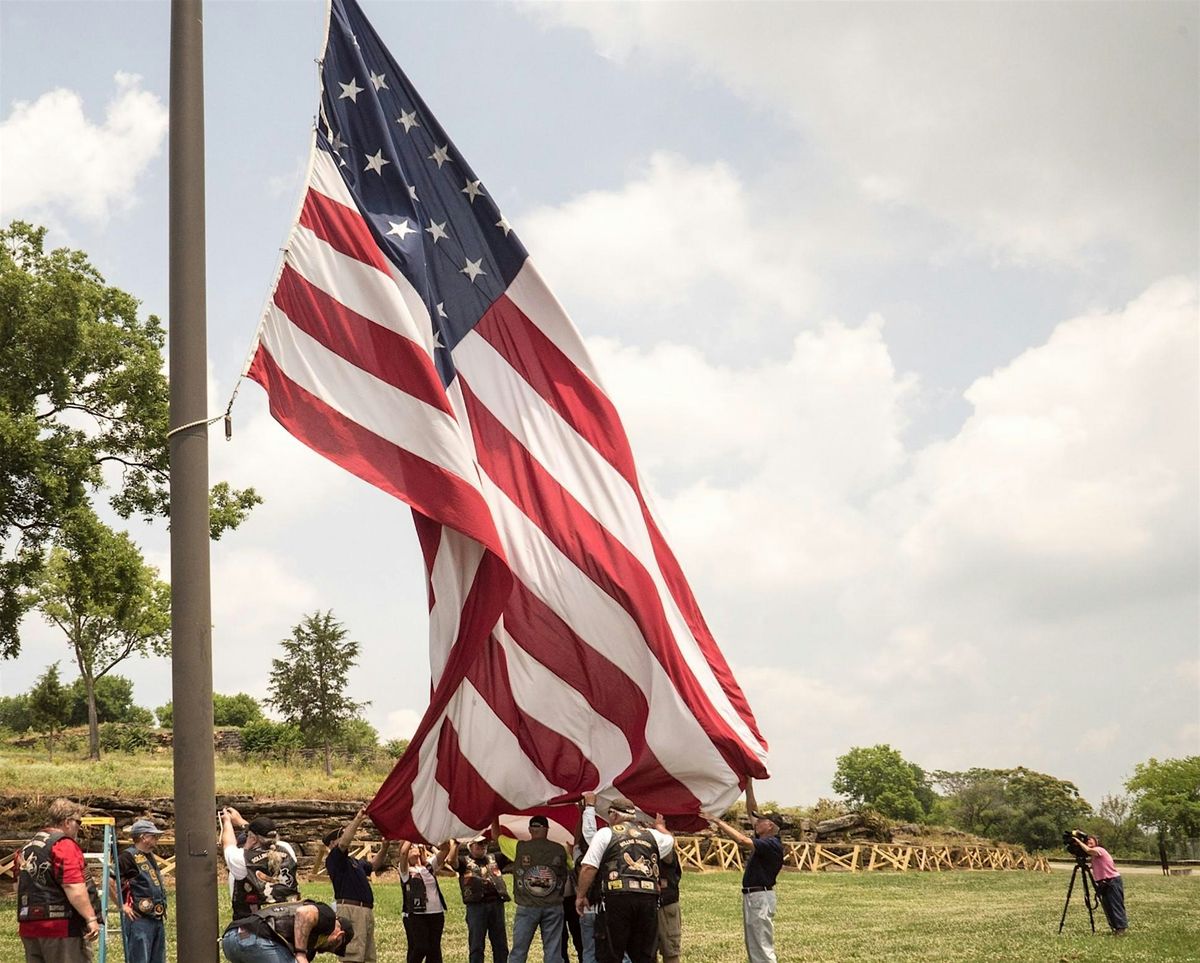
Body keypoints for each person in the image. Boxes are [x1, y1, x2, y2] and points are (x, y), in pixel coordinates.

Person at [576, 800, 674, 963]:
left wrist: (581, 895)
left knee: (611, 953)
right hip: (648, 898)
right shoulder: (652, 835)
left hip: (617, 897)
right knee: (644, 955)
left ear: (614, 814)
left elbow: (588, 868)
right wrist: (660, 826)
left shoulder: (606, 834)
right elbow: (670, 840)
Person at [704, 781, 789, 963]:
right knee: (755, 944)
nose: (756, 822)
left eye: (761, 821)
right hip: (755, 896)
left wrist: (717, 821)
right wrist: (749, 786)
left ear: (770, 826)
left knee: (761, 946)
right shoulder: (765, 838)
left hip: (760, 897)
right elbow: (752, 810)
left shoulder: (772, 844)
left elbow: (742, 840)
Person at [16, 797, 101, 963]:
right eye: (78, 822)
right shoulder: (63, 845)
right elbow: (73, 886)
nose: (79, 827)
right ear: (67, 822)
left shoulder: (26, 847)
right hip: (61, 930)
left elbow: (17, 885)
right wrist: (91, 918)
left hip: (29, 927)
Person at [323, 806, 389, 962]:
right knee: (352, 956)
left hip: (365, 910)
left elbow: (373, 865)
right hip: (351, 910)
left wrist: (385, 847)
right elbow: (344, 843)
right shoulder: (334, 859)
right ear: (333, 843)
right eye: (341, 836)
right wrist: (358, 819)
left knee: (368, 956)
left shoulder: (353, 862)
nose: (345, 837)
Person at [508, 814, 571, 963]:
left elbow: (496, 836)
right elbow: (572, 867)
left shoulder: (518, 847)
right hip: (553, 905)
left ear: (530, 829)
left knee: (519, 950)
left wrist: (494, 814)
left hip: (526, 906)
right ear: (547, 829)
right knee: (553, 951)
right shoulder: (560, 850)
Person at [221, 807, 301, 917]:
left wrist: (227, 822)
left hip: (254, 925)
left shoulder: (241, 859)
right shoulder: (287, 849)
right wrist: (241, 822)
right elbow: (264, 839)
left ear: (253, 839)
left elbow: (228, 843)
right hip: (289, 919)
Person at [221, 899, 353, 962]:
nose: (326, 950)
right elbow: (304, 913)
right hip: (258, 939)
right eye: (334, 947)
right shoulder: (328, 917)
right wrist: (300, 953)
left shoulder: (311, 948)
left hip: (230, 939)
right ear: (339, 936)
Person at [113, 818, 169, 963]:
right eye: (153, 836)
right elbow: (111, 882)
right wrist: (122, 905)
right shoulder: (127, 857)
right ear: (143, 837)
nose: (157, 839)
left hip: (156, 917)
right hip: (139, 919)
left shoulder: (149, 856)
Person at [453, 826, 511, 963]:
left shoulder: (494, 858)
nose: (482, 846)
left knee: (501, 944)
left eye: (485, 843)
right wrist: (454, 845)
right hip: (476, 907)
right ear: (470, 846)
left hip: (496, 905)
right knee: (477, 945)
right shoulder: (463, 861)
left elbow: (510, 853)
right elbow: (451, 862)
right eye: (479, 844)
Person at [398, 839, 452, 963]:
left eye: (415, 845)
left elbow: (445, 849)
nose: (413, 847)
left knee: (434, 951)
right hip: (417, 914)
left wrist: (432, 836)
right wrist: (410, 835)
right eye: (410, 847)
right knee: (421, 947)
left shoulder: (429, 866)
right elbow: (403, 854)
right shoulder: (405, 870)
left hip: (436, 913)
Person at [1079, 834, 1128, 935]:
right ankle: (1116, 927)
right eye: (1087, 841)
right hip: (1103, 883)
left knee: (1115, 905)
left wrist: (1077, 841)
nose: (1089, 842)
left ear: (1096, 841)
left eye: (1091, 840)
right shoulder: (1094, 856)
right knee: (1108, 905)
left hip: (1112, 881)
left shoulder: (1099, 850)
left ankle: (1121, 928)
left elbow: (1088, 850)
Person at [654, 843, 682, 963]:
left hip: (665, 903)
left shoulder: (664, 840)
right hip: (643, 902)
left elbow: (669, 859)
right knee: (646, 952)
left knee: (670, 952)